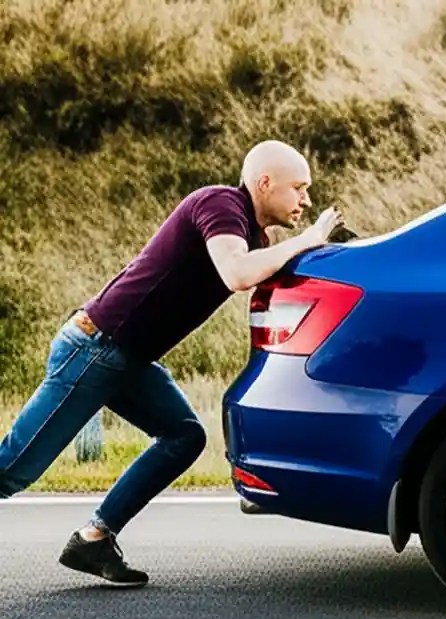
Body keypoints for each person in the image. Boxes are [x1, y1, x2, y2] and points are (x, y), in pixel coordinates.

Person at [0, 140, 345, 586]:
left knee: (184, 436)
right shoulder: (221, 204)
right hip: (95, 349)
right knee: (13, 469)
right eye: (299, 188)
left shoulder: (255, 237)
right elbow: (238, 273)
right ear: (264, 183)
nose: (306, 200)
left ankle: (94, 539)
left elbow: (272, 272)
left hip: (127, 359)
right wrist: (309, 237)